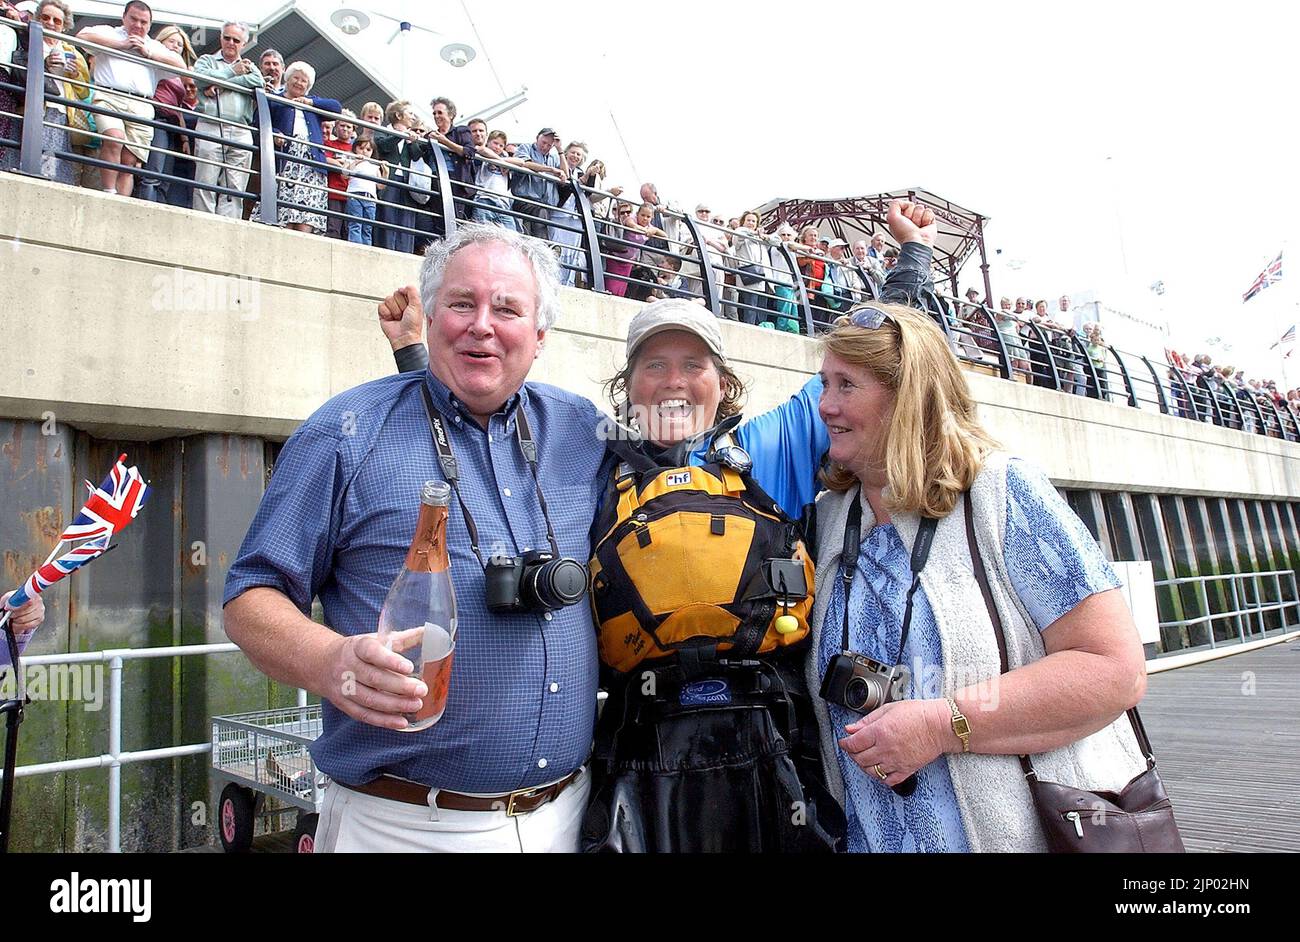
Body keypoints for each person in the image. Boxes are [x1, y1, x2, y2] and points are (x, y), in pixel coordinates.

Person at [376, 203, 941, 852]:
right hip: (641, 749)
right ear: (629, 385)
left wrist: (913, 259)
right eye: (655, 365)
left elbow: (874, 365)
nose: (674, 381)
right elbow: (478, 441)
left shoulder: (774, 451)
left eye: (692, 365)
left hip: (777, 746)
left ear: (722, 384)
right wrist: (416, 355)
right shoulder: (587, 461)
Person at [224, 227, 610, 852]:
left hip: (570, 817)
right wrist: (330, 663)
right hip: (401, 827)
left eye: (508, 308)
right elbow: (250, 597)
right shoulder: (345, 433)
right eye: (462, 304)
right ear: (429, 317)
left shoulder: (585, 433)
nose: (482, 325)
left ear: (539, 336)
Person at [805, 225, 1150, 852]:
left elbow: (1114, 670)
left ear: (907, 397)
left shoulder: (1001, 495)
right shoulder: (832, 520)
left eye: (846, 386)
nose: (824, 405)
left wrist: (942, 724)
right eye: (824, 384)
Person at [77, 1, 186, 196]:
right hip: (109, 96)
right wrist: (121, 45)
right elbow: (82, 36)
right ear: (124, 18)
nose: (138, 25)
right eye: (133, 19)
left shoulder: (153, 45)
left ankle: (120, 204)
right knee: (114, 139)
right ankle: (108, 193)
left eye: (143, 22)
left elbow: (180, 65)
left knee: (129, 162)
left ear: (150, 25)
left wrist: (148, 53)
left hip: (142, 104)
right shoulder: (110, 32)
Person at [248, 61, 338, 234]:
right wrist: (274, 134)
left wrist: (309, 103)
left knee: (307, 216)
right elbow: (259, 123)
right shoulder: (275, 99)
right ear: (287, 80)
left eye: (304, 81)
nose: (299, 83)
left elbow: (336, 107)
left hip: (311, 165)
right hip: (286, 160)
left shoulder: (313, 103)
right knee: (285, 215)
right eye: (295, 78)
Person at [190, 20, 261, 217]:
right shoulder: (206, 60)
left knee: (236, 185)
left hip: (240, 129)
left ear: (243, 44)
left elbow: (258, 81)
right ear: (221, 38)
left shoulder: (249, 66)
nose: (231, 43)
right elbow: (200, 78)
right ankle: (203, 224)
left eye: (236, 40)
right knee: (206, 180)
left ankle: (228, 227)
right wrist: (232, 72)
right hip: (211, 124)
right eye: (227, 38)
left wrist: (221, 82)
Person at [372, 100, 430, 254]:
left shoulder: (410, 135)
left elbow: (417, 155)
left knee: (406, 219)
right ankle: (384, 250)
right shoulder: (383, 130)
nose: (412, 117)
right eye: (410, 113)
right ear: (398, 115)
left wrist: (412, 142)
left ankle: (403, 252)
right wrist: (400, 135)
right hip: (388, 180)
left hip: (406, 182)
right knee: (386, 214)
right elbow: (383, 145)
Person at [509, 127, 564, 239]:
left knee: (529, 230)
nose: (545, 147)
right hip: (525, 200)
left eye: (549, 145)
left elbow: (566, 174)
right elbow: (525, 164)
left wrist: (560, 150)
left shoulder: (554, 157)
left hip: (545, 205)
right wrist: (551, 170)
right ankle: (544, 246)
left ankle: (535, 248)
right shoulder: (526, 148)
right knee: (540, 215)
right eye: (543, 142)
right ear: (537, 138)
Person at [342, 134, 383, 245]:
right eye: (361, 148)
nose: (364, 151)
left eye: (368, 149)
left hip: (370, 198)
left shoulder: (374, 166)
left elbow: (380, 186)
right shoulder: (350, 160)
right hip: (355, 195)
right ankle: (355, 248)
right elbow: (345, 175)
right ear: (355, 148)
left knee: (367, 228)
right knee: (355, 224)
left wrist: (386, 172)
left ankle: (366, 249)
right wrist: (355, 162)